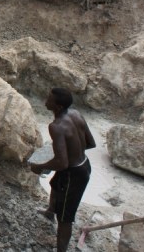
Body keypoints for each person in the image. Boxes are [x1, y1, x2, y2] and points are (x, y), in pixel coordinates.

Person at [30, 87, 96, 252]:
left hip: (74, 175)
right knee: (55, 184)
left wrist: (40, 166)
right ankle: (50, 211)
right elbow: (91, 143)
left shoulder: (56, 126)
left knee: (66, 217)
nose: (46, 100)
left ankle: (61, 249)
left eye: (49, 99)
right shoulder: (76, 114)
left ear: (57, 107)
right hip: (84, 164)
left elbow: (62, 163)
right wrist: (74, 152)